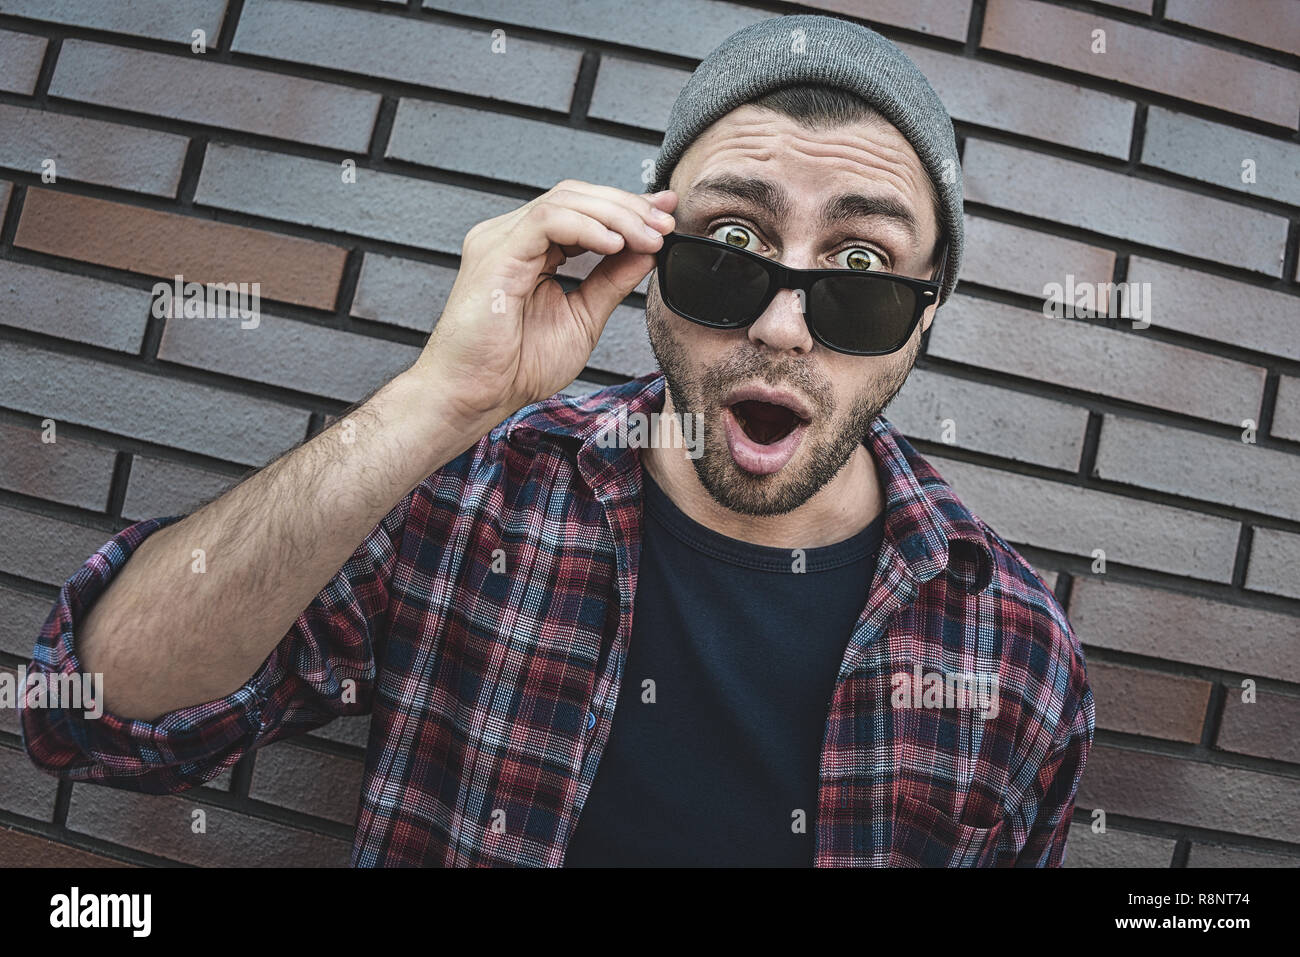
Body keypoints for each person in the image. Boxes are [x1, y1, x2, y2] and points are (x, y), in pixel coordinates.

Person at [22, 13, 1093, 867]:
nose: (781, 324)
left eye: (860, 270)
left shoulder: (1012, 651)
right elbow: (99, 721)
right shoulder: (474, 493)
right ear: (644, 255)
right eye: (730, 244)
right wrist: (438, 400)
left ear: (928, 306)